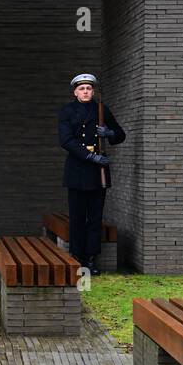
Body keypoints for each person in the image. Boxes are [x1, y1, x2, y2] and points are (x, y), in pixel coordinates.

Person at [58, 72, 125, 275]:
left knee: (95, 218)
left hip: (98, 173)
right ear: (75, 92)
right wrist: (90, 157)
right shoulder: (67, 111)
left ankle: (91, 258)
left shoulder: (101, 109)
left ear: (92, 91)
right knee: (78, 217)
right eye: (81, 89)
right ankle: (77, 256)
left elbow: (121, 134)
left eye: (88, 88)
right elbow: (66, 141)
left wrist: (110, 133)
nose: (85, 92)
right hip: (78, 170)